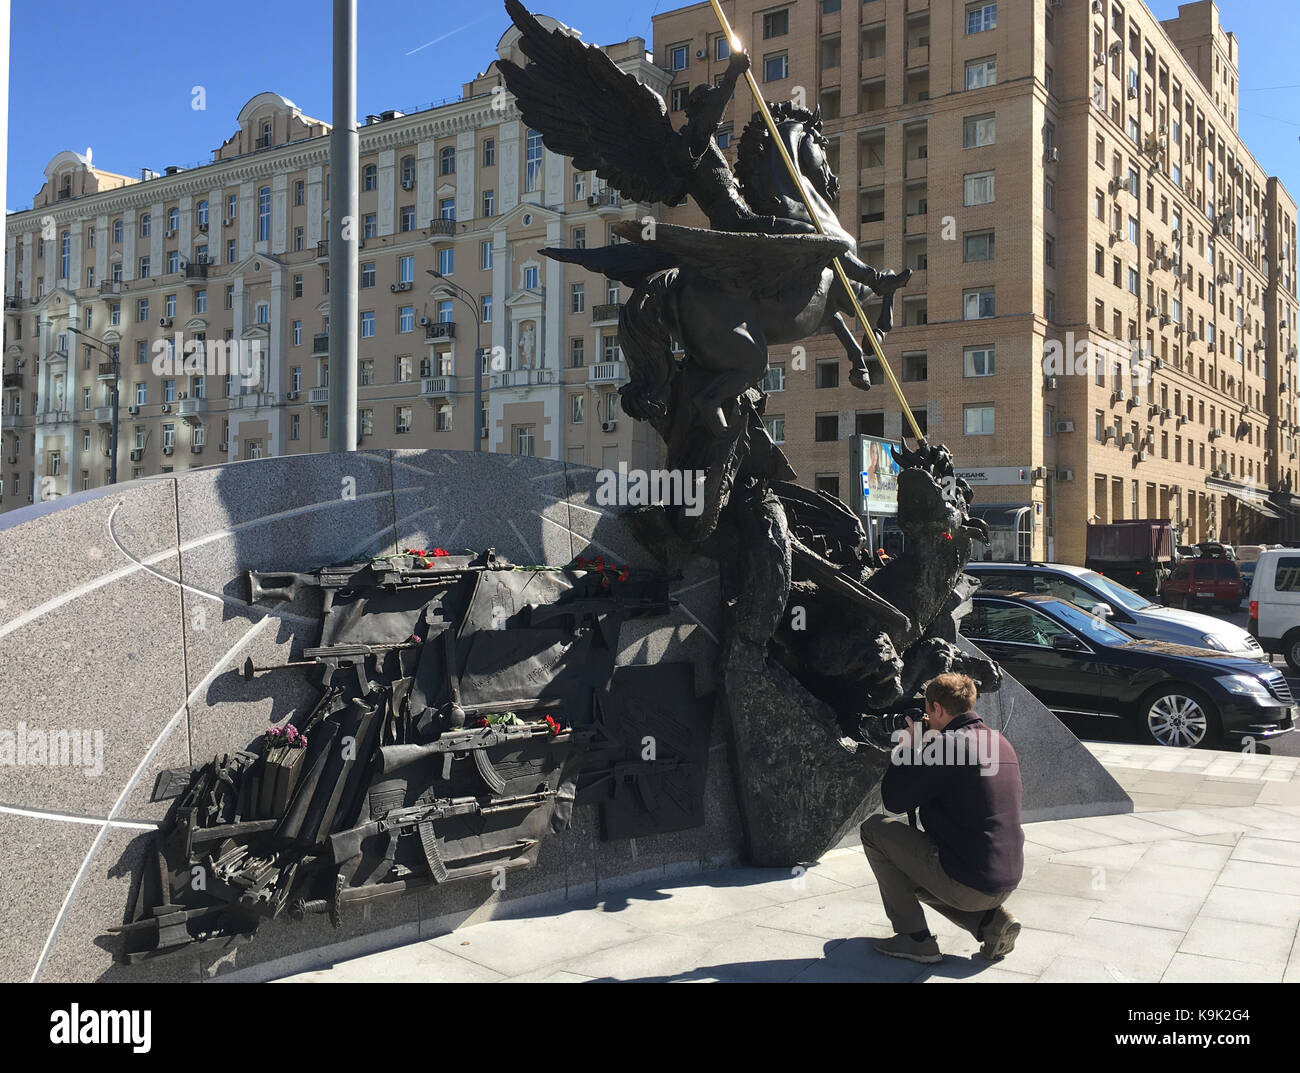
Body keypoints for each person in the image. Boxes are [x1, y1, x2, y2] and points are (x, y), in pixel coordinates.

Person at [860, 672, 1024, 964]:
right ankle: (991, 923)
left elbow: (894, 800)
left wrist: (908, 748)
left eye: (927, 710)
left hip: (970, 883)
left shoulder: (949, 746)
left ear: (937, 708)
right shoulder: (999, 741)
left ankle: (915, 939)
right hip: (1005, 879)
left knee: (874, 831)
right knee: (918, 859)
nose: (926, 718)